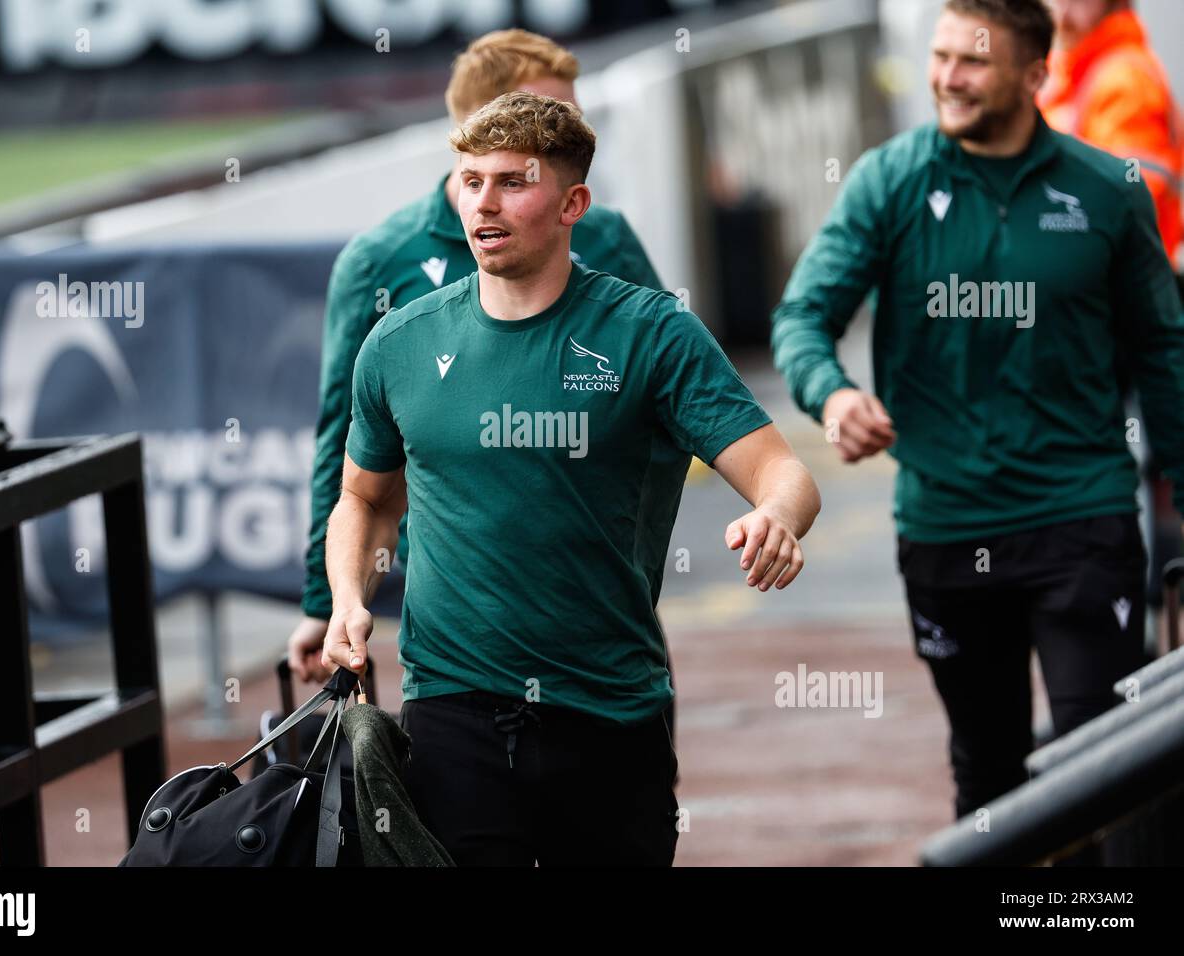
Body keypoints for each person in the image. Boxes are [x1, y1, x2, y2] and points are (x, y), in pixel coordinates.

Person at [320, 92, 820, 865]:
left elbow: (783, 471)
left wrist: (777, 516)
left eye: (512, 182)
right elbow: (365, 498)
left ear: (571, 203)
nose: (483, 202)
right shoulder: (399, 343)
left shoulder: (651, 334)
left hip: (610, 711)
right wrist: (347, 599)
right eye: (469, 180)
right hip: (453, 712)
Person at [771, 0, 1184, 821]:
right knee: (987, 769)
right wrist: (834, 393)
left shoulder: (1107, 193)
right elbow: (802, 316)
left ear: (1035, 75)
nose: (945, 78)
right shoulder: (891, 180)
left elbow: (1164, 354)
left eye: (971, 61)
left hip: (1082, 523)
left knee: (1097, 762)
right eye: (940, 56)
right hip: (946, 529)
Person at [288, 29, 671, 692]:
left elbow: (675, 399)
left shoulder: (602, 234)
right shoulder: (381, 260)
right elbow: (343, 442)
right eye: (556, 114)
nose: (574, 134)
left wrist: (637, 561)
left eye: (575, 117)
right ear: (488, 123)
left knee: (626, 789)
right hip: (457, 619)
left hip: (604, 602)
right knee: (460, 784)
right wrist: (326, 604)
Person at [1039, 0, 1181, 265]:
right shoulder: (1070, 72)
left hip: (1117, 286)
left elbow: (1129, 201)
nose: (1061, 9)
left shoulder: (1125, 80)